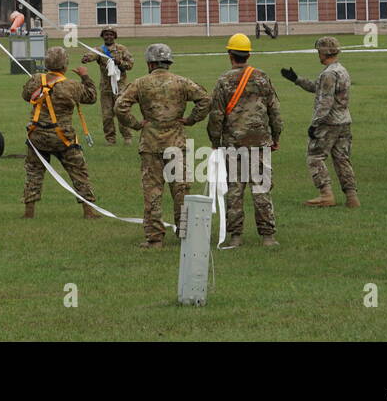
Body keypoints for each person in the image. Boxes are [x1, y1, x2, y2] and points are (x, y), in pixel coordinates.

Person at [113, 43, 211, 249]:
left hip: (150, 144)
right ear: (168, 63)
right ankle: (186, 233)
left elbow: (120, 106)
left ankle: (155, 237)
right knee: (181, 190)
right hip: (176, 143)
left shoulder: (140, 83)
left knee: (153, 191)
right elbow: (205, 100)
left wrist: (136, 124)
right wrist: (191, 119)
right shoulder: (181, 82)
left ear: (150, 63)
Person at [207, 33, 282, 248]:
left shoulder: (223, 80)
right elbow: (275, 111)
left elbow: (216, 115)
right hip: (260, 142)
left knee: (235, 189)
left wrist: (215, 140)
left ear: (230, 55)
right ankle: (268, 236)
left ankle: (235, 236)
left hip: (233, 144)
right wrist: (275, 137)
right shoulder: (262, 77)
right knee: (261, 188)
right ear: (248, 55)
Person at [21, 46, 101, 219]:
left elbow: (26, 96)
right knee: (78, 172)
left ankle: (29, 212)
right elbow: (92, 97)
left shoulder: (36, 80)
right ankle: (89, 212)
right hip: (63, 137)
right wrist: (85, 76)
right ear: (65, 65)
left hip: (37, 135)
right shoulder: (72, 85)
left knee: (34, 173)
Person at [282, 36, 359, 208]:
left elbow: (325, 102)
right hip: (344, 121)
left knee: (315, 157)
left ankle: (326, 195)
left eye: (319, 52)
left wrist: (315, 124)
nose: (318, 55)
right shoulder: (341, 70)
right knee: (342, 159)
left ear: (325, 52)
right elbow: (316, 87)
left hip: (329, 123)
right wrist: (296, 79)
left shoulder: (329, 74)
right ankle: (352, 198)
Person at [82, 28, 135, 145]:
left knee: (122, 111)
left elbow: (130, 64)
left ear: (115, 36)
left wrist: (120, 62)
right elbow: (92, 55)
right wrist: (86, 58)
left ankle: (127, 137)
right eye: (106, 34)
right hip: (106, 88)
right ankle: (110, 139)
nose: (108, 36)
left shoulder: (122, 49)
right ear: (103, 36)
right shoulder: (100, 50)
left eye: (111, 34)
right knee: (107, 115)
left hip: (121, 87)